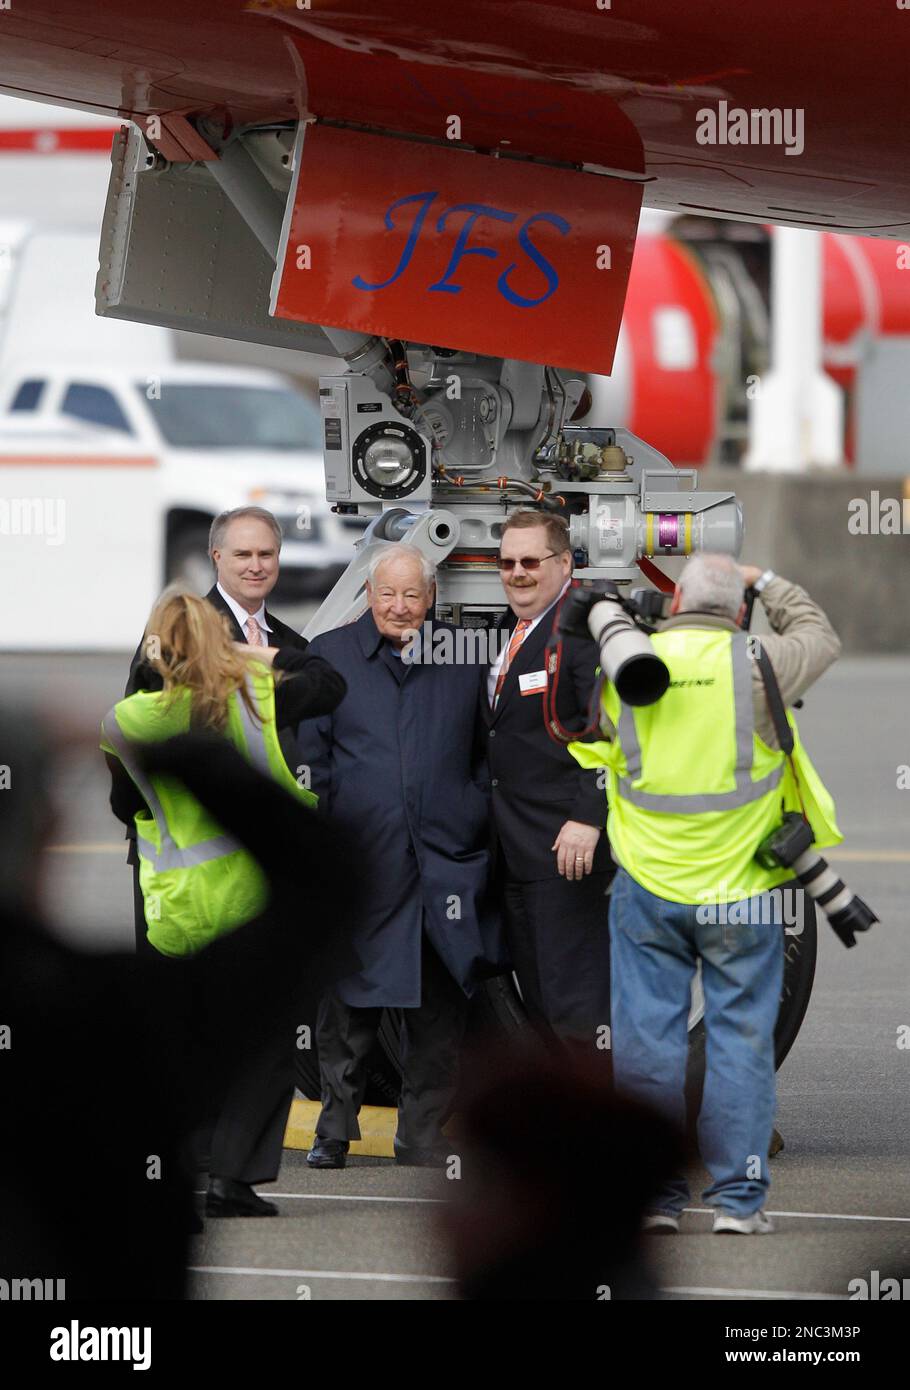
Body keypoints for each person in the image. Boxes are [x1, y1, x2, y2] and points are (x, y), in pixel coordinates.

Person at [570, 555, 842, 1234]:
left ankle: (653, 1201)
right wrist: (769, 579)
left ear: (677, 600)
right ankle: (737, 1204)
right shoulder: (761, 663)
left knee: (646, 1048)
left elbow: (594, 748)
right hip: (741, 891)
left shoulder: (629, 663)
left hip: (648, 888)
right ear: (738, 609)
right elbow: (821, 634)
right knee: (739, 1045)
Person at [103, 587, 346, 1216]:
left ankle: (170, 1164)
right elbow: (327, 681)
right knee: (265, 1050)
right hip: (256, 899)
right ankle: (232, 1180)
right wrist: (251, 655)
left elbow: (124, 807)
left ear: (153, 648)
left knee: (182, 1040)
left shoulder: (125, 720)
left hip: (177, 904)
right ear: (215, 644)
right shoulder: (252, 696)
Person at [297, 544, 505, 1168]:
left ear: (432, 598)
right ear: (368, 594)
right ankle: (333, 1131)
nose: (399, 606)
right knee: (348, 1006)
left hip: (445, 862)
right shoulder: (329, 657)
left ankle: (420, 1134)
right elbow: (314, 762)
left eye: (412, 595)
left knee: (441, 1009)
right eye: (387, 593)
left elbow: (484, 754)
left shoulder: (463, 658)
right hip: (366, 862)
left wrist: (470, 813)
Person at [124, 506, 308, 955]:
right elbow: (137, 736)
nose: (256, 565)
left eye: (266, 554)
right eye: (242, 553)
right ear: (216, 557)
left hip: (260, 850)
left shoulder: (295, 648)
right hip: (185, 853)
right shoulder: (175, 633)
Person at [479, 511, 612, 1052]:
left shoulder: (584, 633)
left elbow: (617, 735)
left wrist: (587, 816)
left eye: (531, 561)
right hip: (517, 851)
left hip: (566, 854)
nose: (518, 573)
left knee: (577, 1011)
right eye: (507, 563)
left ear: (563, 564)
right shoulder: (506, 634)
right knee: (541, 1008)